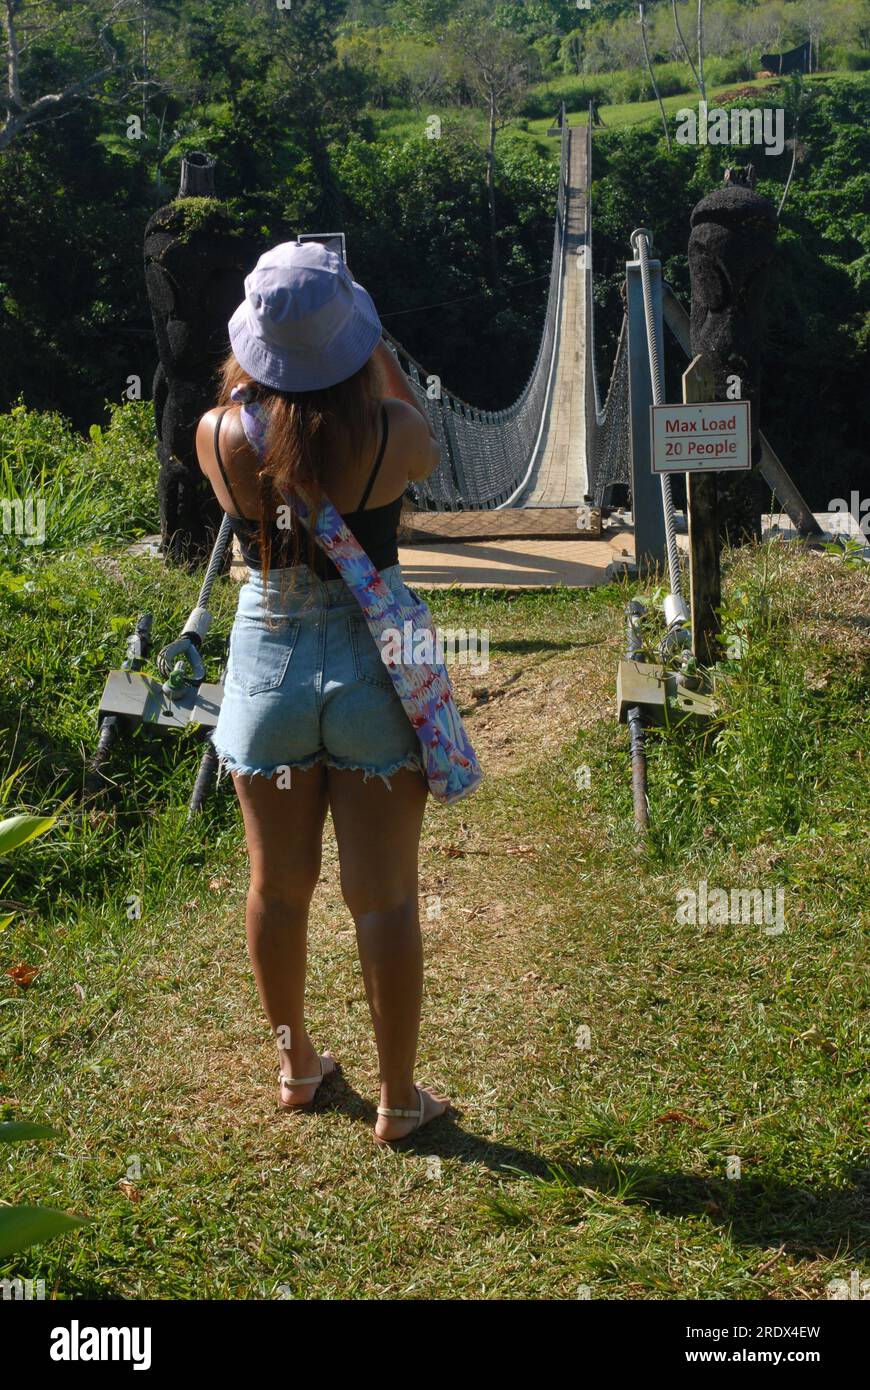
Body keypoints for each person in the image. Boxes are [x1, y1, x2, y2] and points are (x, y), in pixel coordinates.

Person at [195, 242, 450, 1145]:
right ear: (354, 341)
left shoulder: (218, 435)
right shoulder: (390, 433)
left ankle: (297, 1063)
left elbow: (258, 429)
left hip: (266, 655)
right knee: (383, 898)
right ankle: (399, 1098)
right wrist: (366, 345)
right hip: (374, 659)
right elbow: (413, 434)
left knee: (278, 884)